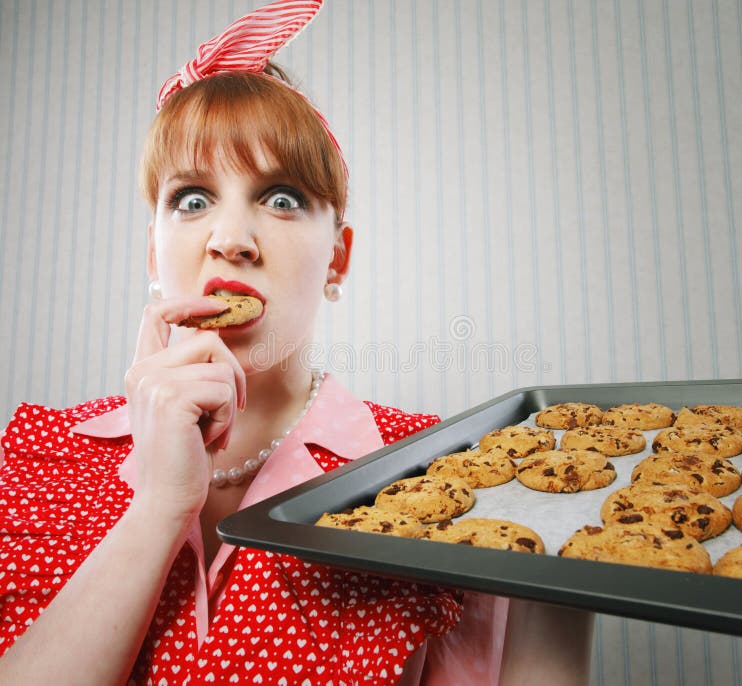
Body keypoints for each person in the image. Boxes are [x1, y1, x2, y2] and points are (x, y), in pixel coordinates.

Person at [0, 2, 593, 684]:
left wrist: (563, 566)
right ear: (152, 253)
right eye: (192, 199)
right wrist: (160, 506)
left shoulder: (441, 474)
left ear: (338, 259)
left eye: (281, 198)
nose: (229, 239)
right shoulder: (42, 461)